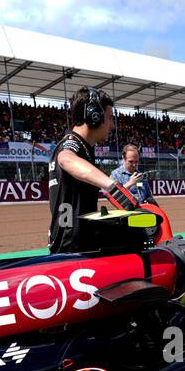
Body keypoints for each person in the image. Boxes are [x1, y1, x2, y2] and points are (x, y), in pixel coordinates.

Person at [48, 86, 143, 254]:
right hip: (71, 248)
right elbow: (66, 159)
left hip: (77, 241)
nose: (112, 125)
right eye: (109, 118)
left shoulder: (83, 147)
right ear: (94, 117)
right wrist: (114, 187)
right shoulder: (71, 144)